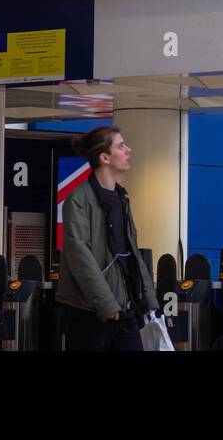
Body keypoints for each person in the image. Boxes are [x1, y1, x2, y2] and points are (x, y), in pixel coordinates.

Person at [57, 125, 159, 350]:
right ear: (104, 157)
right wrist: (105, 302)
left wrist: (148, 298)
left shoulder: (122, 197)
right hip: (90, 312)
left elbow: (131, 251)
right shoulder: (79, 198)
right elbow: (79, 254)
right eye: (121, 146)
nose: (129, 150)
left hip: (125, 307)